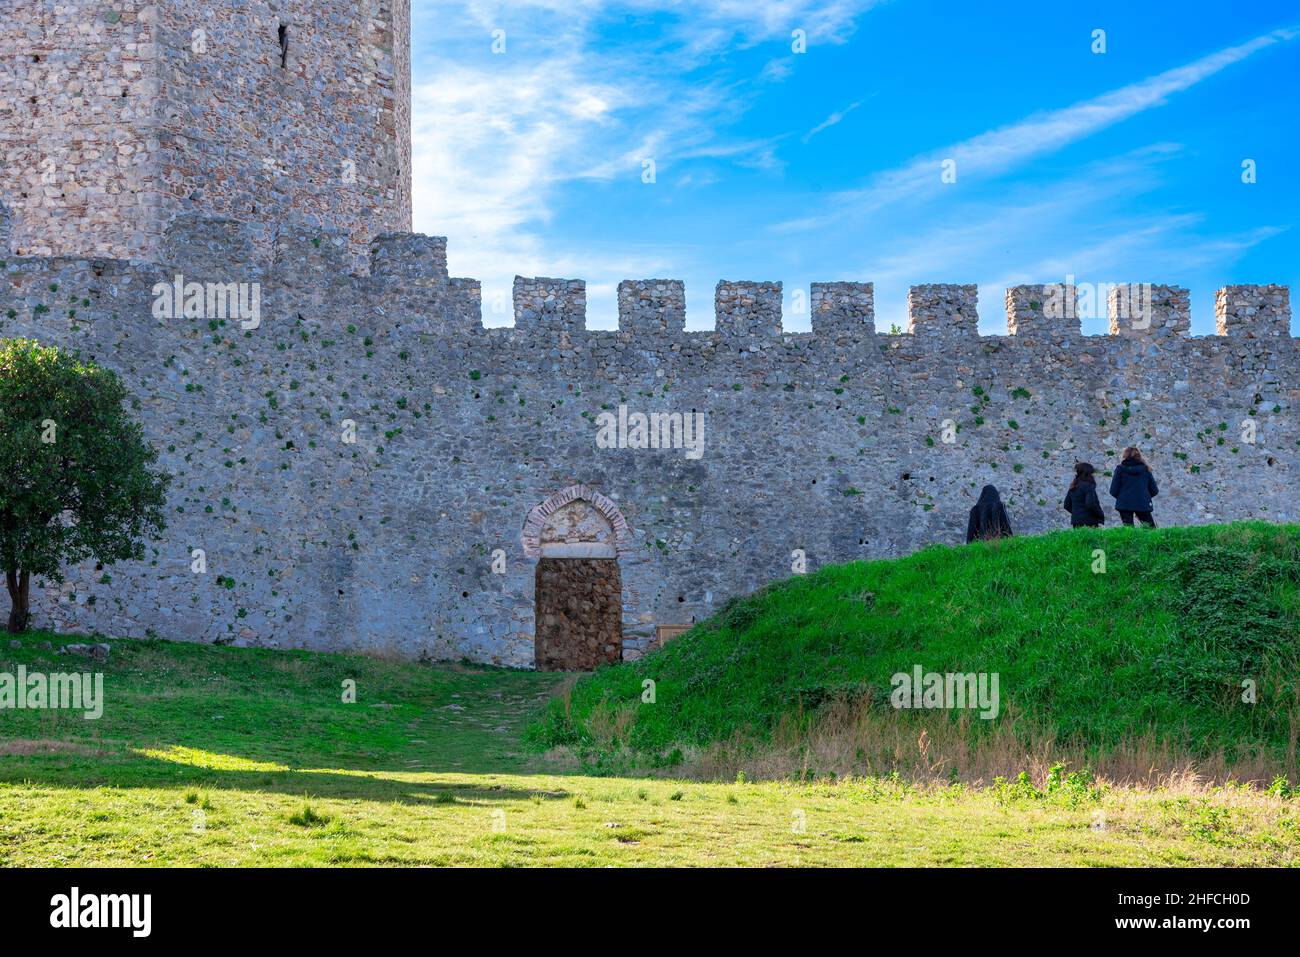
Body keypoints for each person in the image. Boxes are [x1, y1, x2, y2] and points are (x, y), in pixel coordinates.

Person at [1109, 446, 1158, 527]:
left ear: (1125, 456)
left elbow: (1113, 490)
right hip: (1142, 502)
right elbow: (1154, 490)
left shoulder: (1120, 469)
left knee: (1128, 531)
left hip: (1124, 503)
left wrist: (1122, 497)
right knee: (1150, 530)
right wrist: (1144, 496)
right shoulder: (1145, 469)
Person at [1063, 462, 1105, 528]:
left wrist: (1077, 513)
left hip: (1076, 521)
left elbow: (1066, 505)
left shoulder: (1073, 486)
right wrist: (1100, 514)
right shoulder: (1088, 486)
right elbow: (1091, 503)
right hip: (1089, 522)